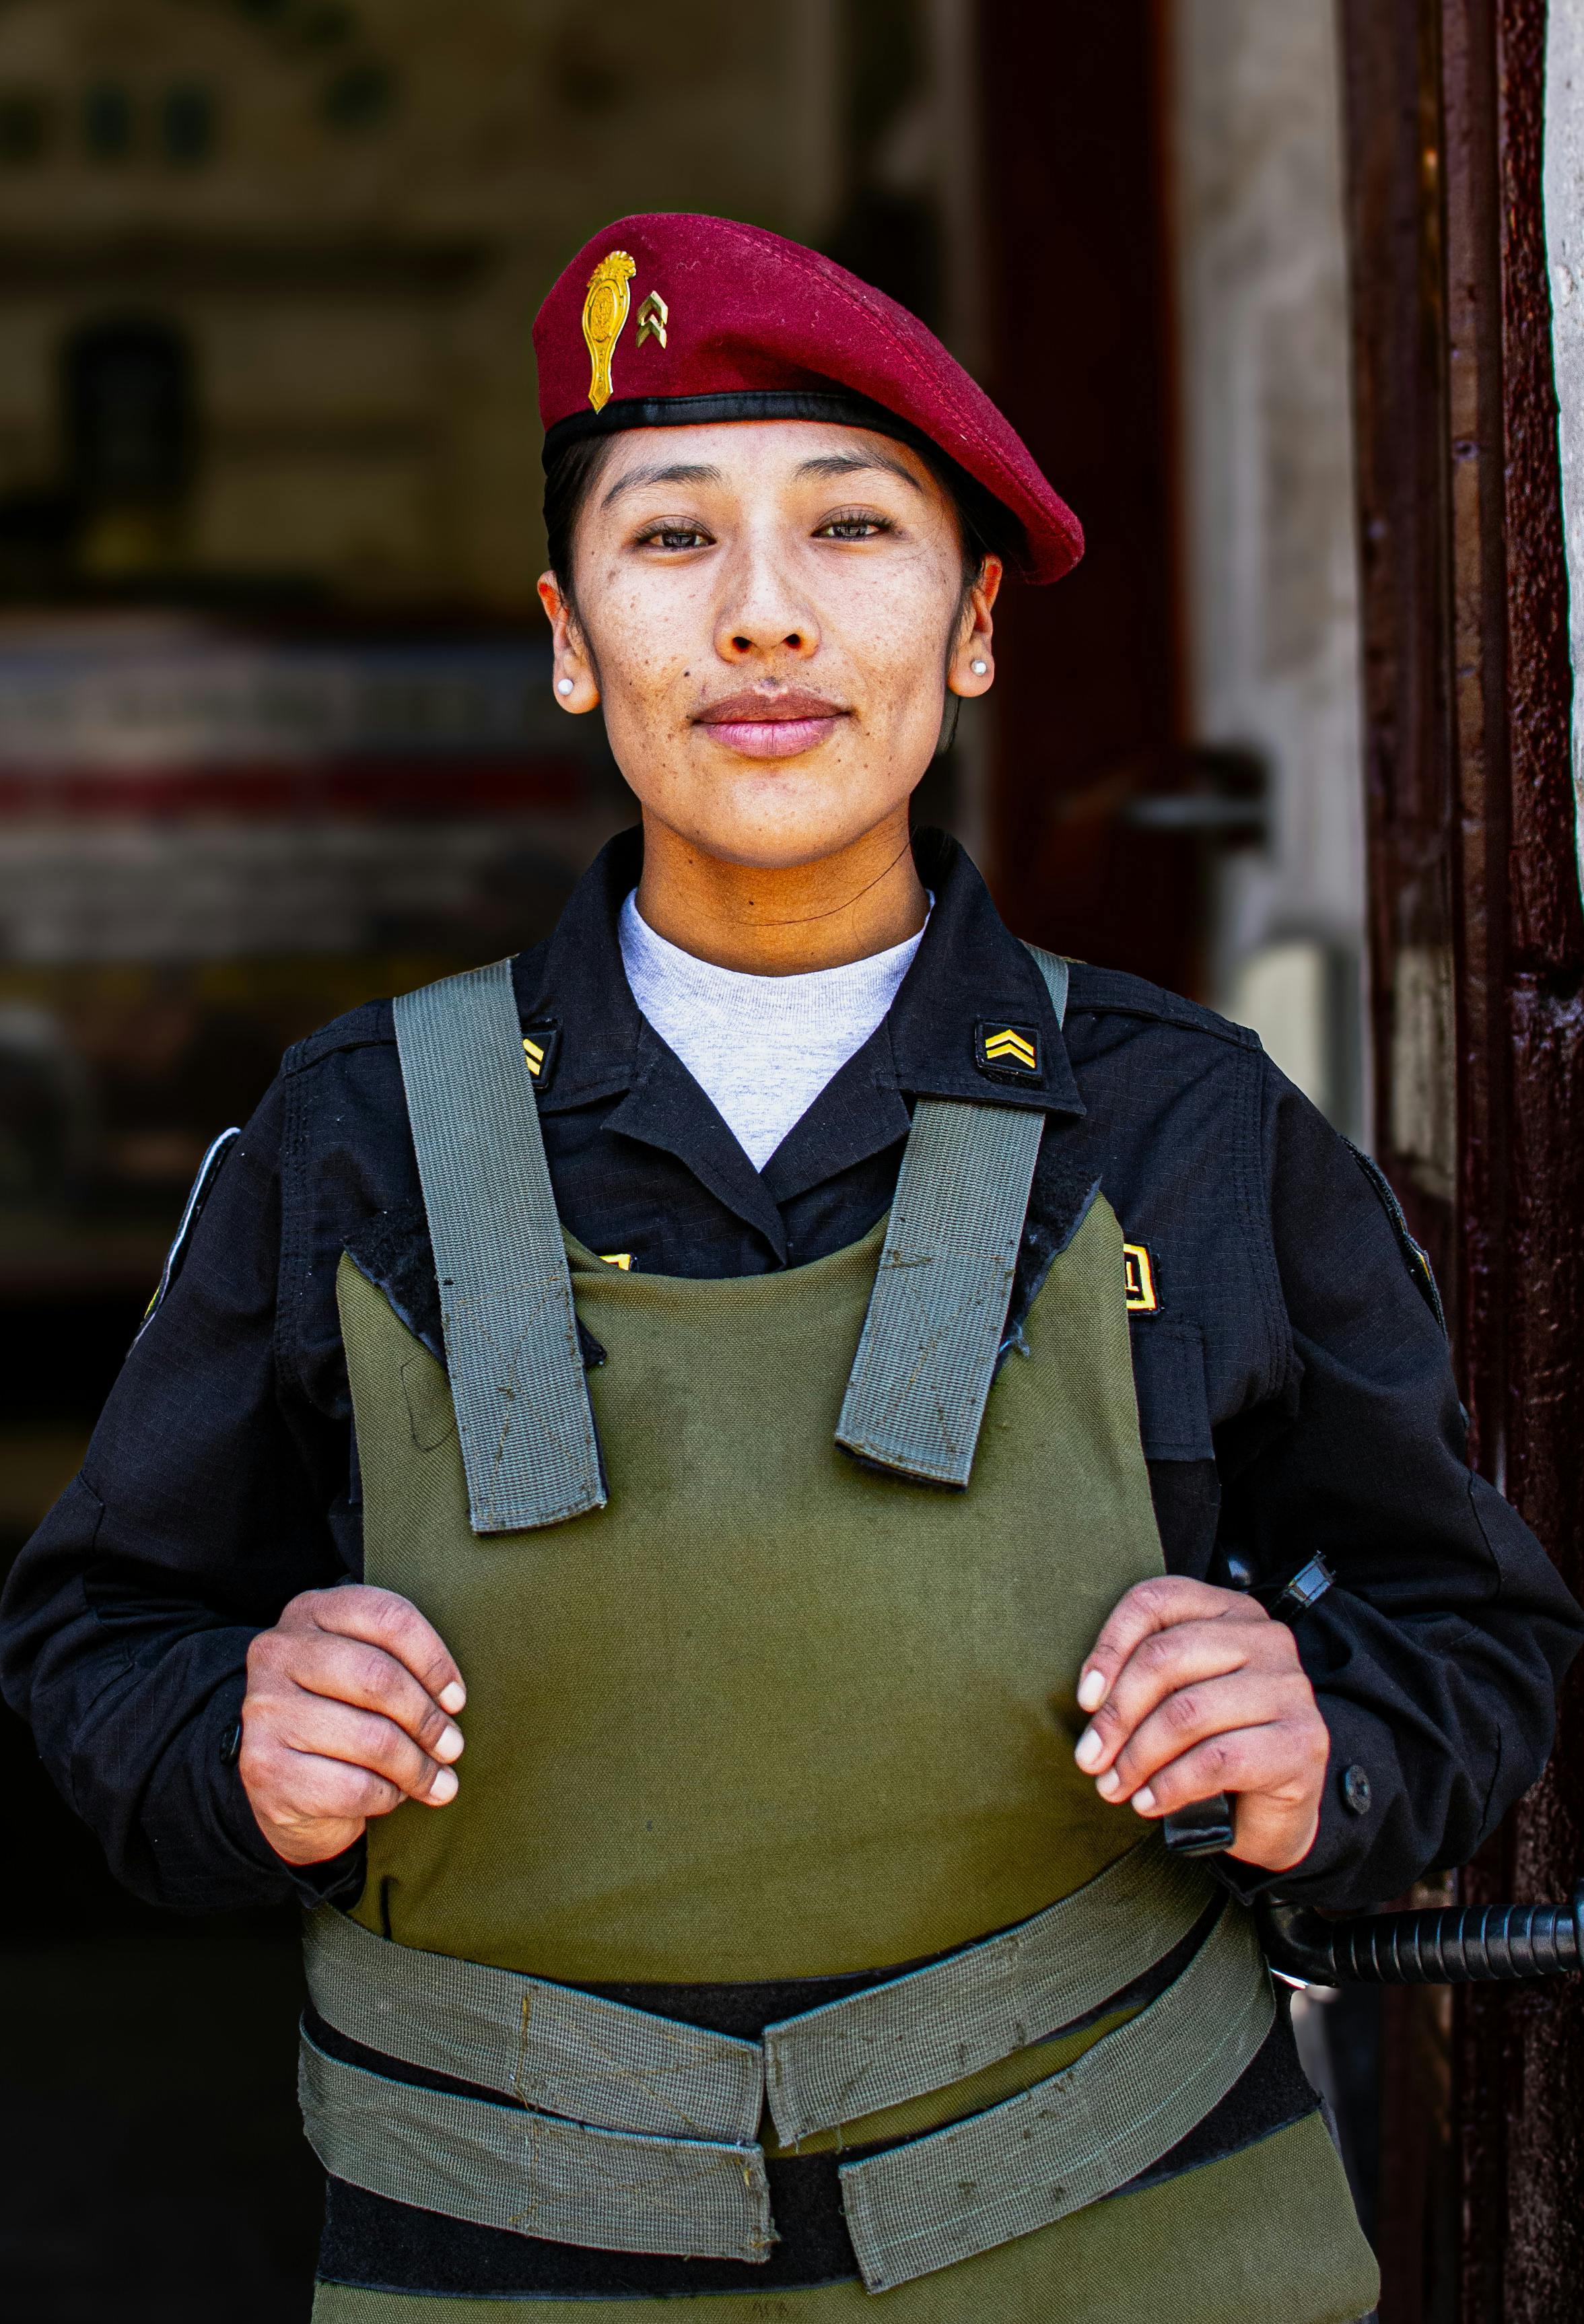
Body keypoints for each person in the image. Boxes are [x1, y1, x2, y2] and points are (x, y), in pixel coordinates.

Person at [2, 214, 1579, 2324]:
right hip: (510, 2259)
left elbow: (1469, 1629)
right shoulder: (354, 1133)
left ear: (973, 623)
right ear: (571, 637)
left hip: (1123, 2245)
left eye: (850, 527)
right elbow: (97, 1629)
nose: (762, 618)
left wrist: (1329, 1747)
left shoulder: (1186, 1123)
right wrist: (233, 1740)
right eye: (673, 541)